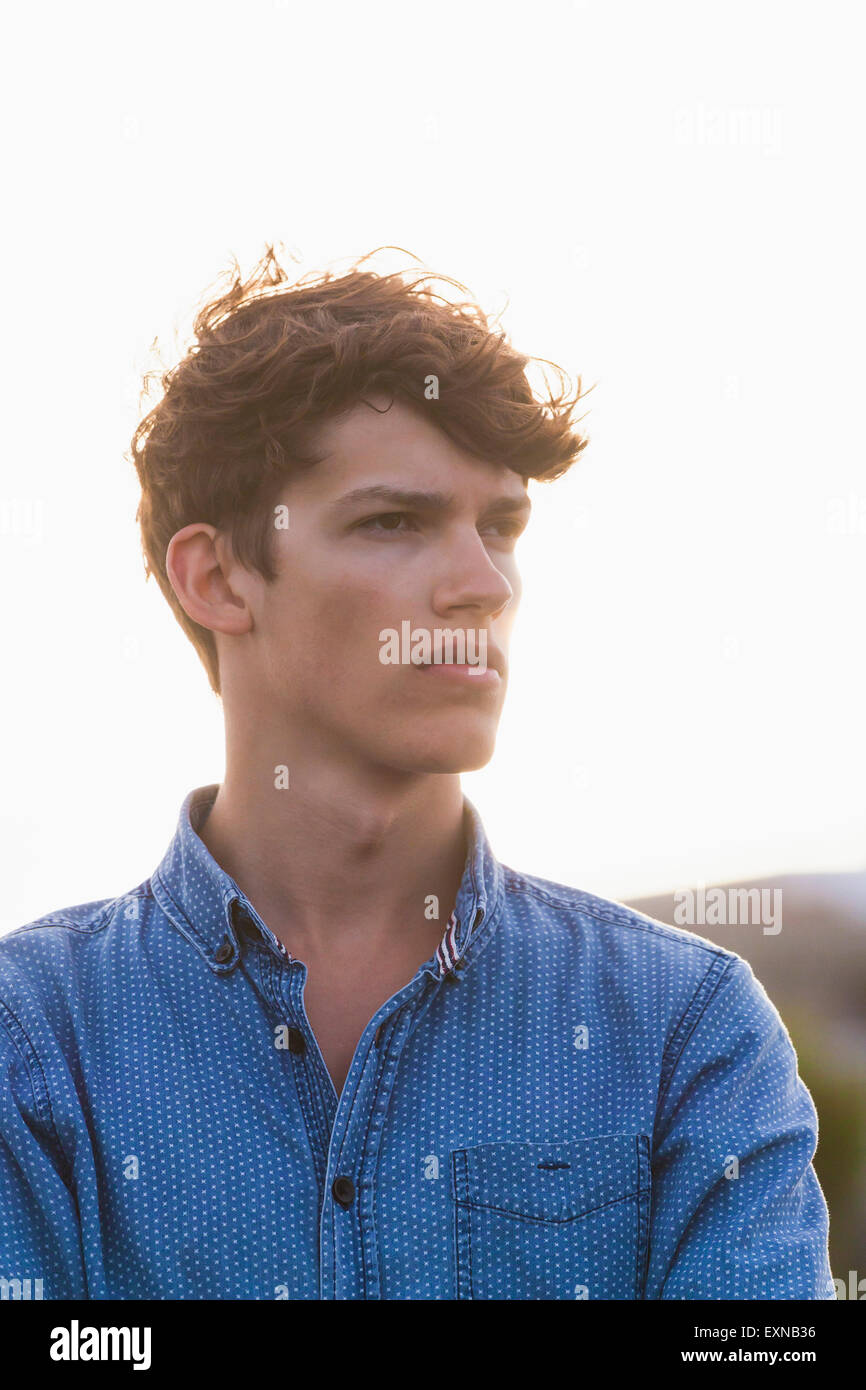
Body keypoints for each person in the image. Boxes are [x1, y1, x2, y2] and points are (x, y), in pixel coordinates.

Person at [0, 247, 835, 1300]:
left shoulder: (684, 1032)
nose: (480, 583)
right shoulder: (33, 1041)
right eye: (394, 521)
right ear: (215, 576)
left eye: (499, 527)